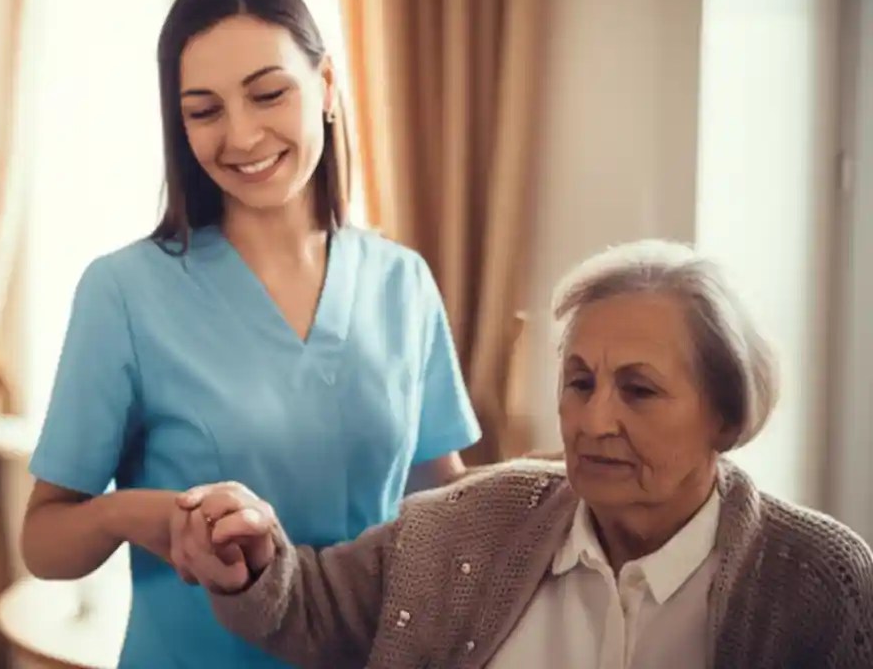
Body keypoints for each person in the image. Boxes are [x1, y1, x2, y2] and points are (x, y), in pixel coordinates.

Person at [20, 0, 481, 669]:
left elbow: (442, 501)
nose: (240, 136)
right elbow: (43, 543)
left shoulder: (402, 282)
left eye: (269, 94)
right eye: (204, 111)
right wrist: (131, 513)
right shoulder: (123, 292)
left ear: (326, 88)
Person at [178, 240, 873, 669]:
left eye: (639, 391)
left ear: (725, 415)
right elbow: (314, 609)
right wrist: (251, 559)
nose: (594, 420)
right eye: (579, 382)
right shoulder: (467, 522)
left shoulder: (820, 581)